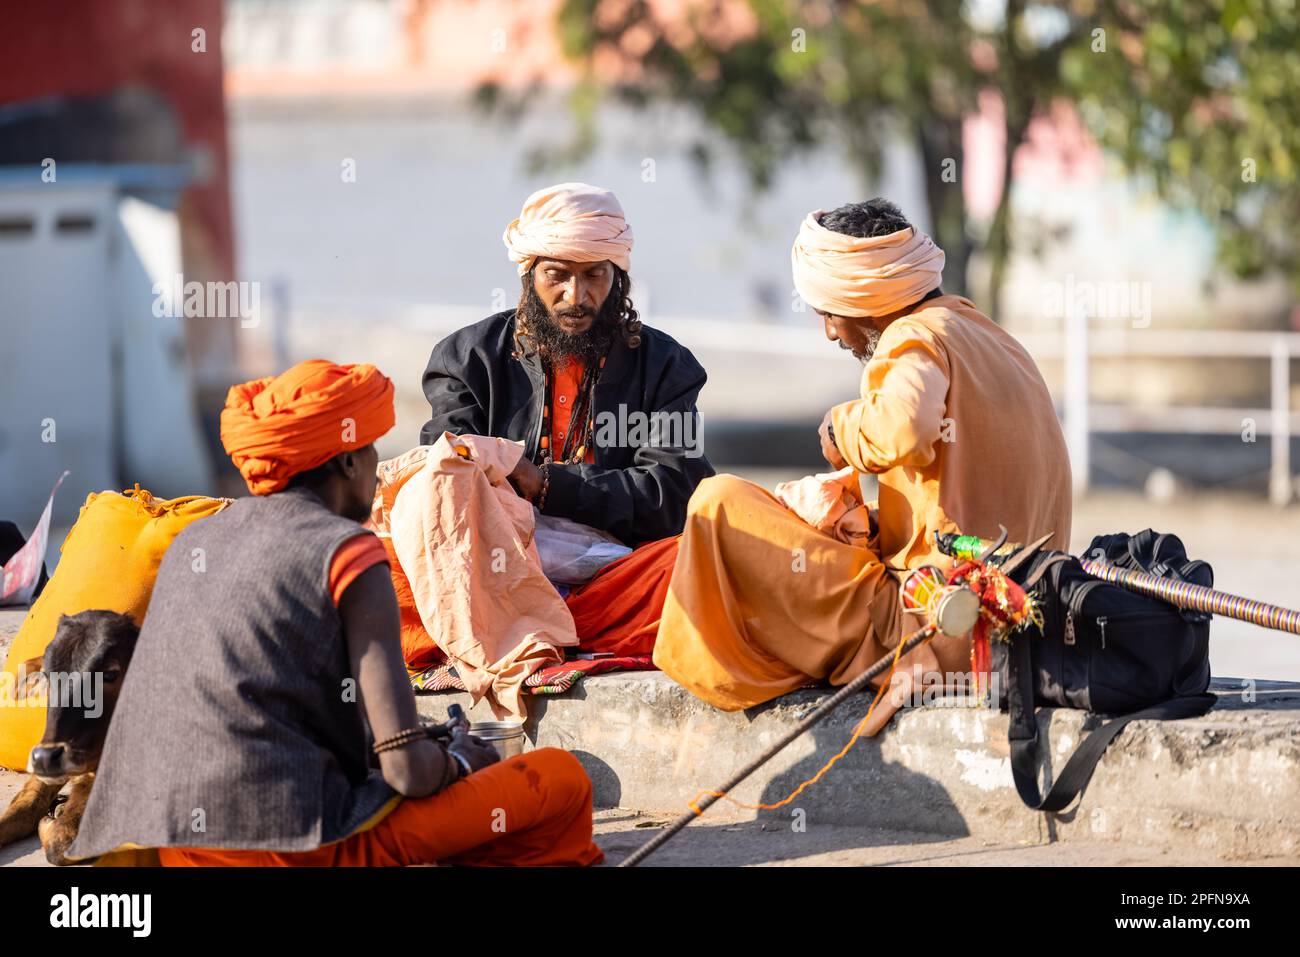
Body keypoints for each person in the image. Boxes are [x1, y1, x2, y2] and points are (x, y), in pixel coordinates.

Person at [69, 359, 603, 866]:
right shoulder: (348, 552)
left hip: (173, 847)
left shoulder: (194, 542)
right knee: (560, 778)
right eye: (371, 453)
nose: (376, 471)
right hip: (300, 851)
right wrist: (463, 758)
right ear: (348, 462)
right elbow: (408, 771)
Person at [653, 199, 1073, 728]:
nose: (830, 332)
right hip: (1022, 625)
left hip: (941, 628)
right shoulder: (996, 340)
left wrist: (841, 427)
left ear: (868, 298)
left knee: (718, 505)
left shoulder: (912, 336)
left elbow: (904, 427)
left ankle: (894, 662)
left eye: (829, 312)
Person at [418, 182, 714, 546]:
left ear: (617, 278)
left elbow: (673, 495)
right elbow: (446, 476)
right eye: (557, 275)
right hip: (497, 562)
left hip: (624, 568)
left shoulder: (667, 367)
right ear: (529, 276)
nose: (575, 296)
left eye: (594, 274)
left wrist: (548, 484)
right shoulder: (467, 359)